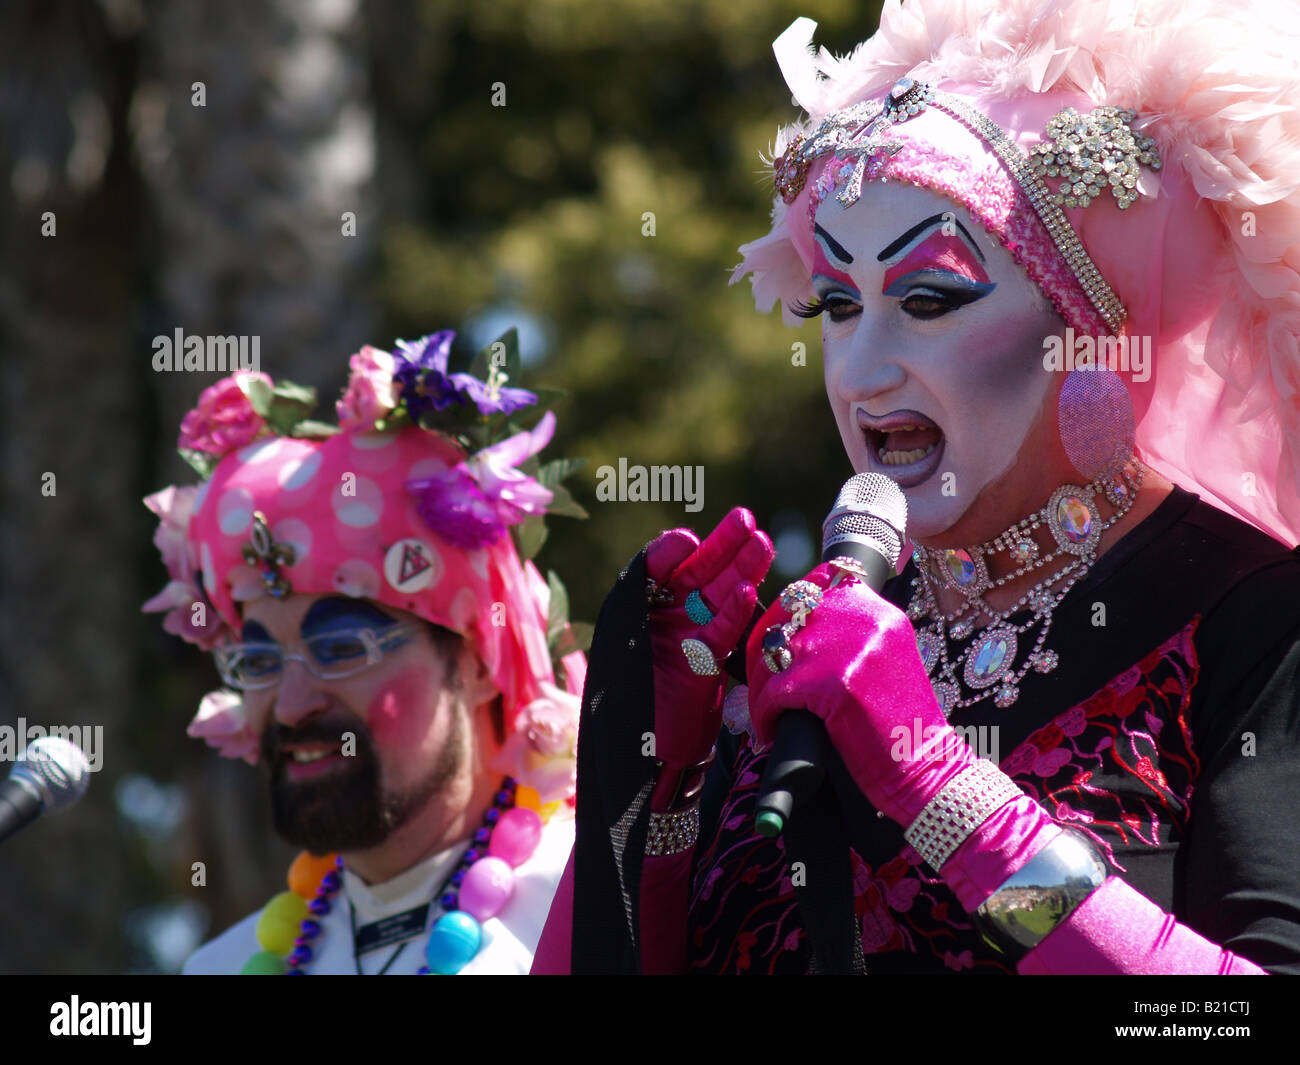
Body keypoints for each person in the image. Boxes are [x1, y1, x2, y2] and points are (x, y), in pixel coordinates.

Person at [536, 0, 1300, 974]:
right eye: (837, 306)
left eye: (929, 299)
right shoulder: (798, 655)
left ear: (1087, 326)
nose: (858, 374)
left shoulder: (1256, 623)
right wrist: (655, 786)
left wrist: (946, 801)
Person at [144, 330, 587, 974]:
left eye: (343, 647)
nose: (291, 706)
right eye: (260, 662)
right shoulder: (221, 966)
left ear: (478, 661)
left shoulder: (601, 909)